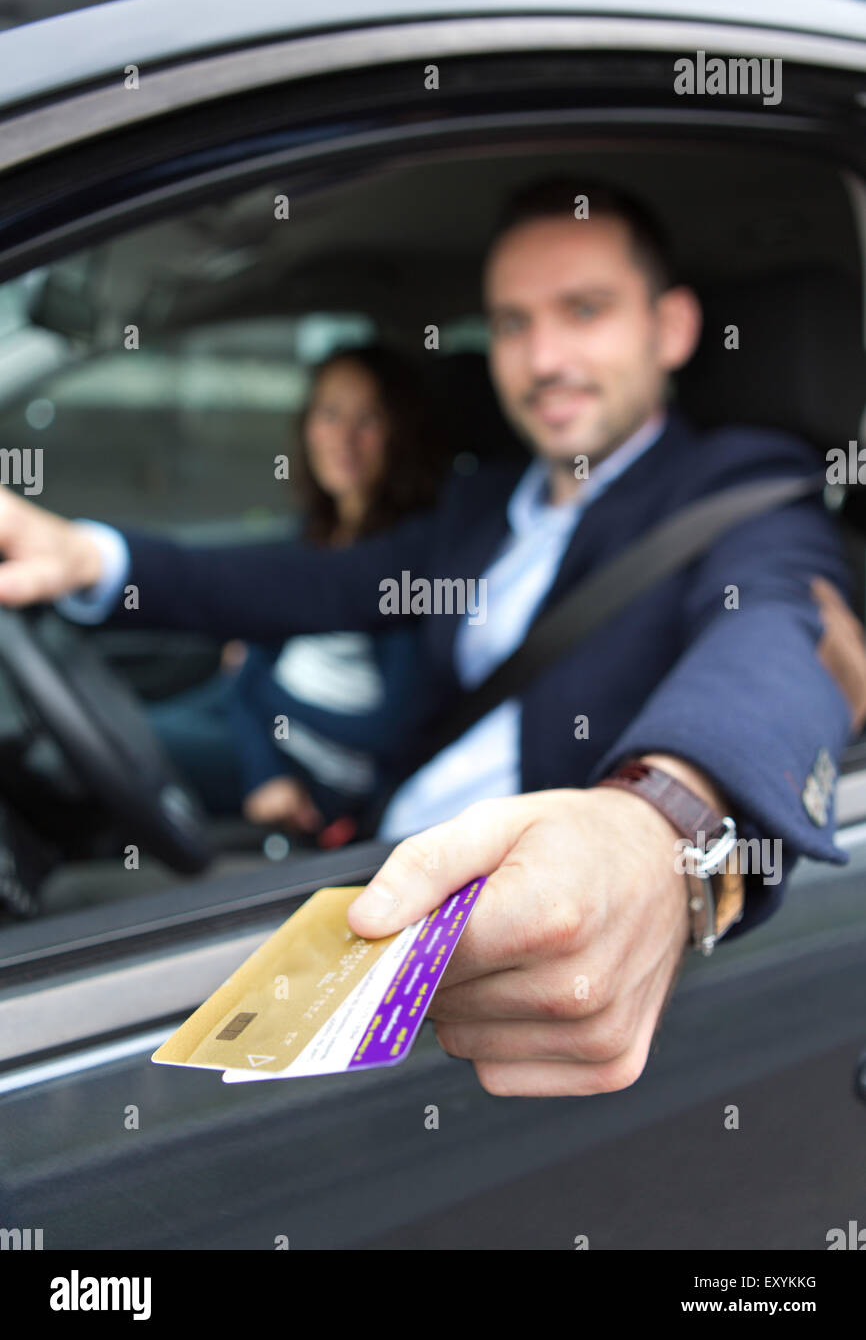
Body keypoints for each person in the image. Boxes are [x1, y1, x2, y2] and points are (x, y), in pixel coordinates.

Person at [0, 178, 862, 1099]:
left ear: (674, 328)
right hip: (375, 868)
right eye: (514, 324)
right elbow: (308, 581)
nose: (544, 358)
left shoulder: (738, 494)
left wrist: (658, 823)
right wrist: (91, 558)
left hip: (501, 953)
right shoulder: (482, 503)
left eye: (585, 311)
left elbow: (779, 638)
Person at [146, 344, 441, 837]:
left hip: (321, 771)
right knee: (128, 728)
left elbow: (394, 731)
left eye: (368, 419)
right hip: (271, 734)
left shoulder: (406, 558)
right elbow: (251, 669)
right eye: (329, 414)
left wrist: (263, 696)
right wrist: (265, 765)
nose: (344, 437)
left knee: (119, 750)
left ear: (400, 432)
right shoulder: (318, 530)